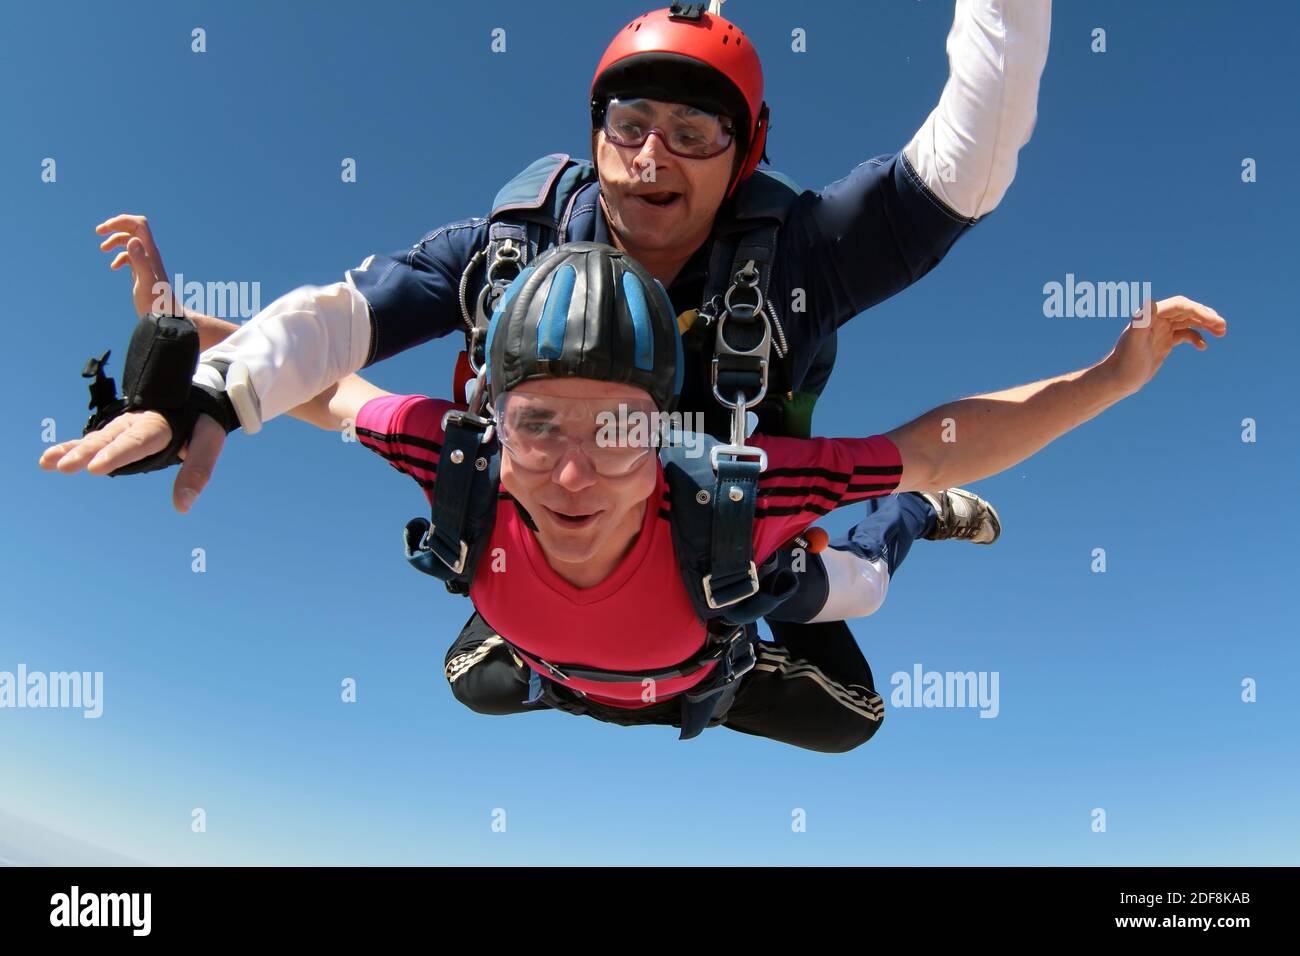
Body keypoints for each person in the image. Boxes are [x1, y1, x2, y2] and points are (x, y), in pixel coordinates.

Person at [89, 0, 1047, 711]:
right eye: (629, 126)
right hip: (559, 528)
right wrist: (207, 377)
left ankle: (901, 525)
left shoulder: (796, 257)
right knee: (481, 676)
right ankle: (602, 671)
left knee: (841, 661)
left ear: (745, 152)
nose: (652, 156)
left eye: (694, 132)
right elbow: (340, 334)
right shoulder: (505, 255)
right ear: (596, 139)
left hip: (736, 539)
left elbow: (969, 162)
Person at [42, 243, 1227, 752]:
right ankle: (581, 676)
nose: (568, 471)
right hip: (561, 666)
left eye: (615, 429)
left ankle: (886, 558)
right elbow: (323, 386)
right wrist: (194, 363)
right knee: (475, 684)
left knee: (850, 629)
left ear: (661, 429)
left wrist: (1109, 376)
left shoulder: (738, 491)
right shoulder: (453, 455)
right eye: (535, 424)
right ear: (488, 422)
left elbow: (939, 441)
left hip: (720, 641)